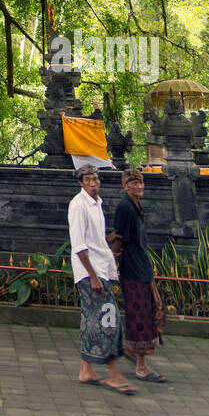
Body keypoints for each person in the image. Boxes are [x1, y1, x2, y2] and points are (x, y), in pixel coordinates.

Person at [68, 165, 136, 393]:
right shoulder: (78, 206)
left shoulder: (97, 203)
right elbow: (79, 246)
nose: (93, 183)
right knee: (109, 319)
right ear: (81, 183)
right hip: (90, 273)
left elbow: (93, 240)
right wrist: (94, 277)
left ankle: (86, 370)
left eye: (95, 179)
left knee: (92, 319)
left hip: (101, 268)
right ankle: (113, 374)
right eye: (88, 180)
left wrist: (108, 240)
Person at [113, 168, 167, 382]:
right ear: (125, 186)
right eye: (134, 183)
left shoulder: (136, 206)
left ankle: (131, 349)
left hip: (142, 267)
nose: (139, 186)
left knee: (153, 309)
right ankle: (141, 366)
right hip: (132, 270)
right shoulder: (125, 207)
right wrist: (111, 264)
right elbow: (119, 239)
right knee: (141, 316)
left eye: (140, 182)